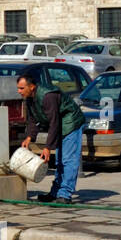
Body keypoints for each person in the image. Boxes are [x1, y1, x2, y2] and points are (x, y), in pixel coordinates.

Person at [17, 67, 86, 203]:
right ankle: (55, 192)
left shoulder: (48, 96)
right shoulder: (30, 98)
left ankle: (65, 194)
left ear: (31, 87)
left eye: (21, 88)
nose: (19, 91)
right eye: (18, 88)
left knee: (68, 160)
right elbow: (32, 119)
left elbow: (54, 122)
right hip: (60, 123)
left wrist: (48, 147)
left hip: (71, 122)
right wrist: (29, 138)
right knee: (59, 160)